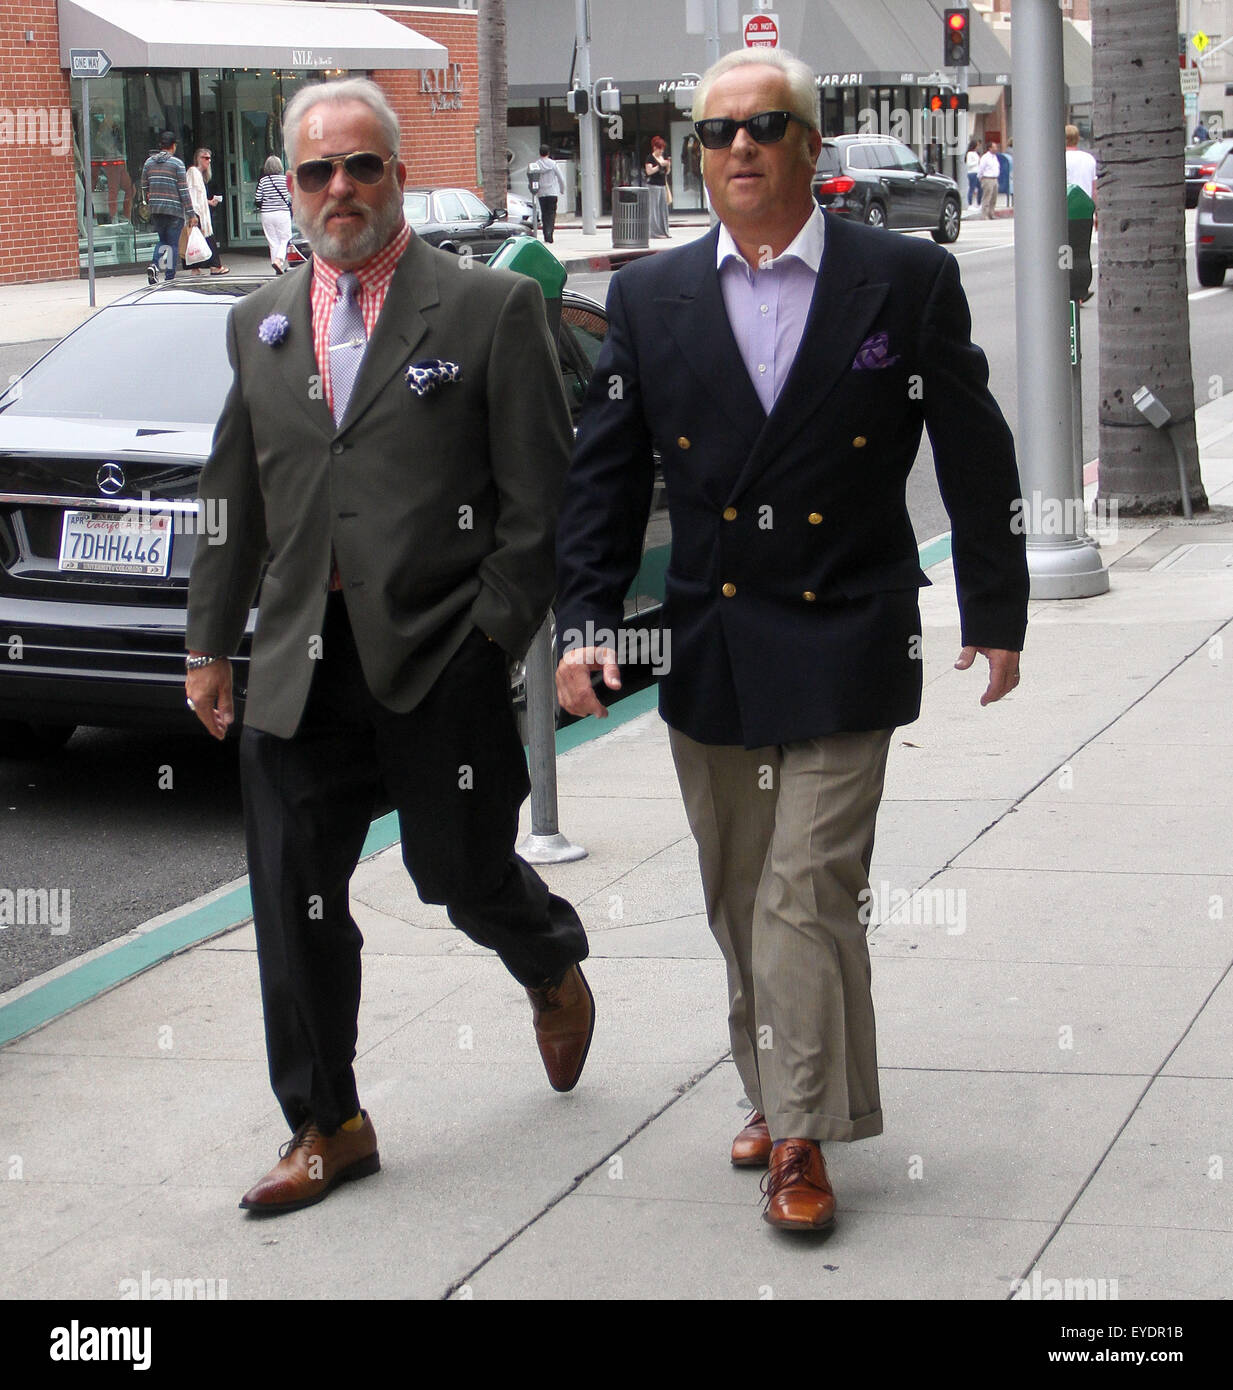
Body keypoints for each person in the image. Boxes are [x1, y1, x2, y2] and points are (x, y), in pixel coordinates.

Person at [554, 48, 1028, 1236]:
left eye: (766, 127)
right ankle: (773, 1081)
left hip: (845, 629)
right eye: (716, 133)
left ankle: (803, 1133)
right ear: (694, 158)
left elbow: (972, 447)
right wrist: (585, 620)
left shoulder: (904, 279)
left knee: (806, 889)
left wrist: (995, 606)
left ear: (813, 149)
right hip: (709, 638)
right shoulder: (649, 297)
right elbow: (603, 482)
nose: (740, 149)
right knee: (737, 892)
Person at [185, 77, 593, 1216]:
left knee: (455, 872)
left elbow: (536, 505)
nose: (340, 189)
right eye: (317, 171)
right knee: (291, 891)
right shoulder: (257, 321)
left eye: (361, 165)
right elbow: (235, 498)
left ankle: (546, 953)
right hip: (298, 668)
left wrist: (492, 637)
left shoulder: (486, 311)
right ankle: (328, 1120)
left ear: (397, 174)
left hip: (435, 657)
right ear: (291, 186)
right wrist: (211, 643)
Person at [140, 131, 195, 283]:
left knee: (162, 240)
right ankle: (169, 277)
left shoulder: (149, 163)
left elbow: (144, 185)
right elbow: (183, 191)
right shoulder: (177, 164)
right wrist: (191, 214)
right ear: (173, 145)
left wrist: (149, 196)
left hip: (156, 209)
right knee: (172, 244)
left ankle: (154, 265)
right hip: (174, 210)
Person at [1065, 125, 1098, 305]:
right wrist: (1097, 212)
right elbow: (1094, 190)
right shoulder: (1088, 159)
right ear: (1078, 139)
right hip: (1084, 211)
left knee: (1062, 253)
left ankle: (1064, 287)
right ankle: (1080, 291)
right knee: (1081, 252)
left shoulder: (1058, 157)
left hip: (1063, 209)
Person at [186, 147, 229, 275]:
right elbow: (191, 194)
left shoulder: (197, 174)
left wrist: (209, 202)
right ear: (198, 159)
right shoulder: (193, 172)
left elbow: (197, 195)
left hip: (199, 212)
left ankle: (196, 268)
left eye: (209, 158)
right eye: (205, 158)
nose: (208, 161)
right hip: (197, 213)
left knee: (197, 240)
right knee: (205, 239)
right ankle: (214, 266)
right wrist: (192, 213)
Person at [254, 154, 293, 273]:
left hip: (267, 214)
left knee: (272, 240)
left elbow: (258, 198)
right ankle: (279, 260)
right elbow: (289, 197)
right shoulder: (284, 180)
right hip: (282, 212)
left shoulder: (263, 181)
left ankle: (277, 266)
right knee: (285, 237)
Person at [528, 144, 565, 243]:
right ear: (548, 153)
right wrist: (562, 189)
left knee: (544, 214)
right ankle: (550, 234)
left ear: (540, 153)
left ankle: (545, 234)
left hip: (542, 193)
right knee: (552, 214)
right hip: (552, 192)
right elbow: (561, 178)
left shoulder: (536, 165)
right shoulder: (553, 164)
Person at [645, 134, 671, 237]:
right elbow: (649, 171)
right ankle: (654, 233)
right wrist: (659, 166)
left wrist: (668, 165)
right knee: (654, 209)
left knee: (663, 209)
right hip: (653, 185)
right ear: (655, 148)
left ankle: (664, 231)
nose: (661, 151)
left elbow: (667, 172)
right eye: (660, 149)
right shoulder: (650, 158)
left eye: (662, 149)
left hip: (662, 185)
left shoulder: (663, 157)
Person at [978, 140, 1001, 219]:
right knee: (987, 197)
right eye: (994, 147)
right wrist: (980, 177)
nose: (996, 149)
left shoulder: (995, 157)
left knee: (994, 197)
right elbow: (981, 168)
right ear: (989, 148)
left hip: (995, 179)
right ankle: (984, 215)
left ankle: (991, 213)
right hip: (987, 179)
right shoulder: (985, 157)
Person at [965, 138, 980, 207]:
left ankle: (979, 202)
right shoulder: (970, 153)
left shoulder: (976, 153)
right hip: (972, 172)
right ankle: (970, 203)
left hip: (977, 172)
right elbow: (969, 164)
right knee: (972, 188)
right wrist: (976, 162)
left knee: (980, 188)